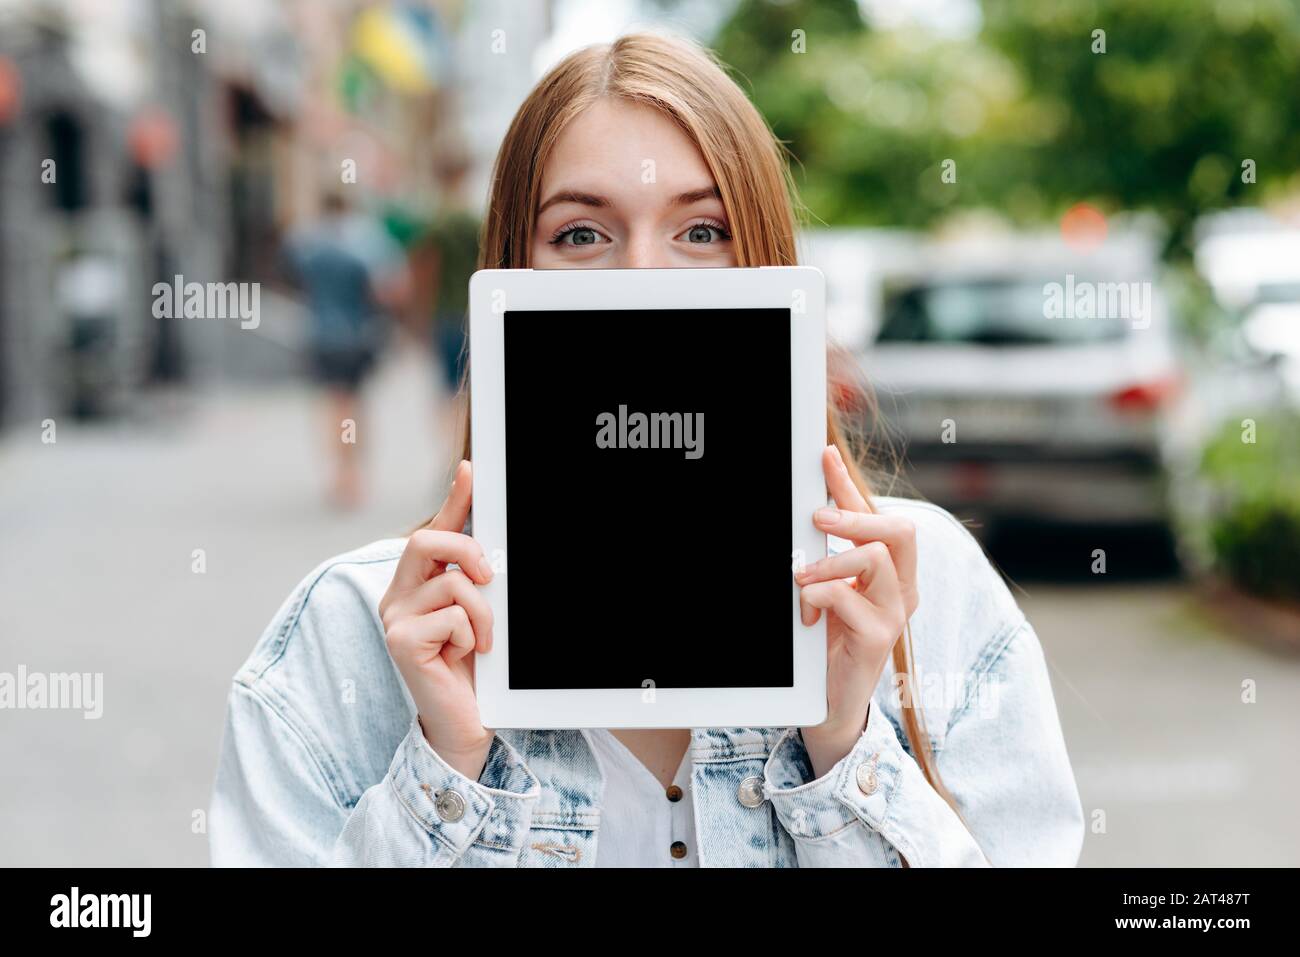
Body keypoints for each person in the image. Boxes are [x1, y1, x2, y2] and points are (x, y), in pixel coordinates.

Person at [210, 33, 1083, 867]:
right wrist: (442, 770)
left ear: (771, 267)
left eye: (702, 231)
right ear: (508, 273)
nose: (643, 283)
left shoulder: (936, 599)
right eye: (580, 234)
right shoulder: (350, 635)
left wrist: (846, 745)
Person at [285, 190, 409, 508]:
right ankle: (354, 475)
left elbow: (293, 276)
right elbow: (387, 288)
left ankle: (339, 474)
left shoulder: (307, 243)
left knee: (333, 405)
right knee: (355, 407)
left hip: (322, 335)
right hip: (356, 336)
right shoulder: (365, 243)